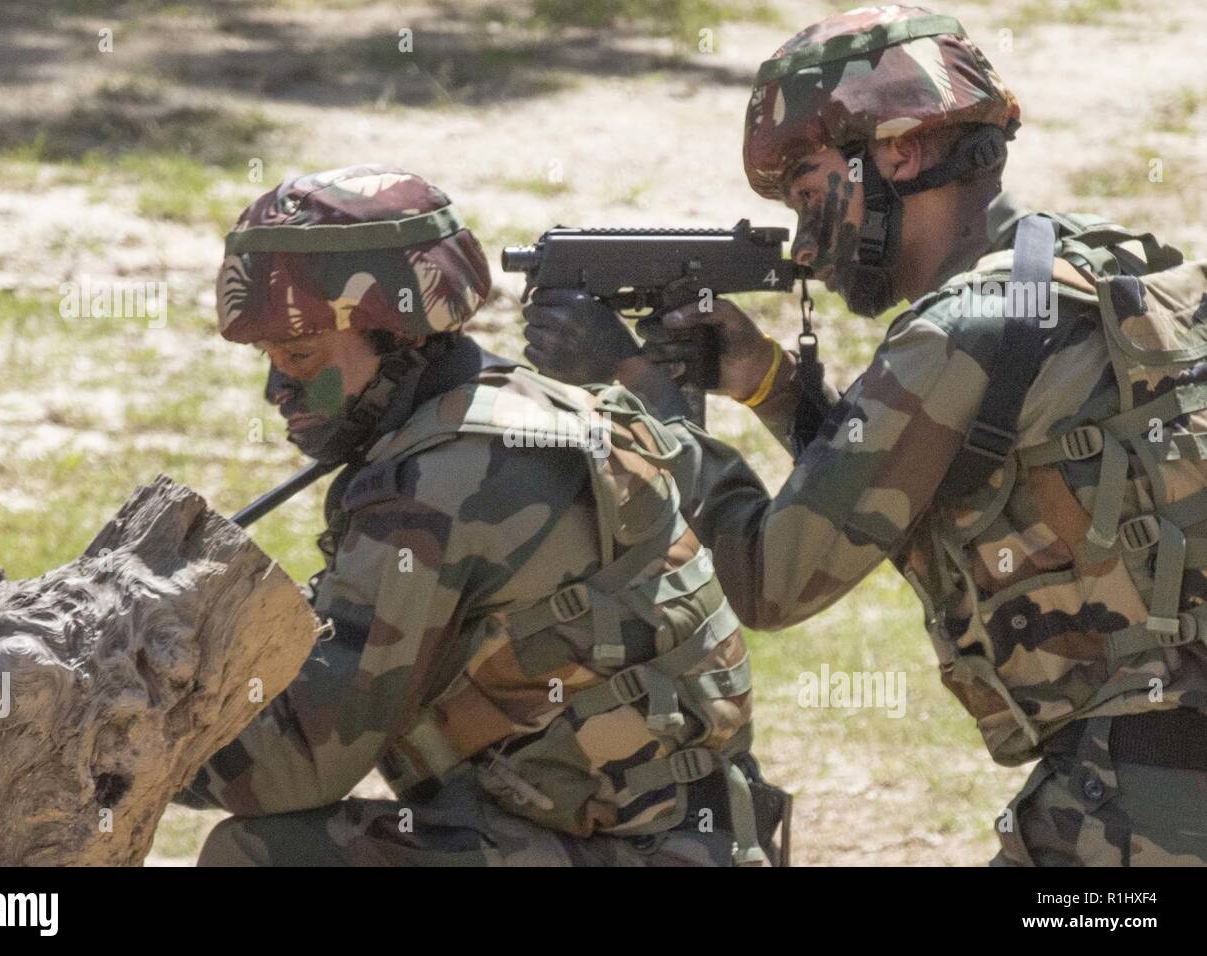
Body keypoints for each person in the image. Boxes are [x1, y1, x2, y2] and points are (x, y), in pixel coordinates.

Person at [522, 6, 1207, 865]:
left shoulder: (955, 336)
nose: (806, 248)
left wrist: (644, 399)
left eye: (809, 192)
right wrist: (768, 383)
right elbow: (900, 486)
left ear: (899, 153)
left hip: (1149, 809)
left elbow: (772, 581)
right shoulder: (1097, 274)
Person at [177, 164, 788, 866]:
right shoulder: (538, 408)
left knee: (261, 855)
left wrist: (125, 749)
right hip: (689, 841)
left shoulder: (438, 483)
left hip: (632, 850)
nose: (277, 389)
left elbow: (298, 764)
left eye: (301, 353)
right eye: (270, 357)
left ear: (395, 335)